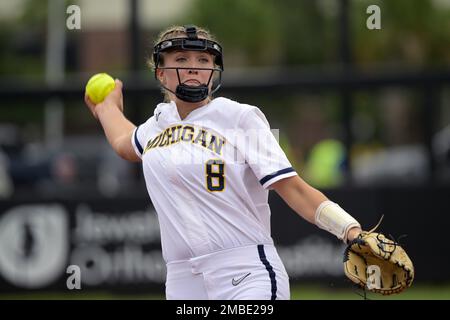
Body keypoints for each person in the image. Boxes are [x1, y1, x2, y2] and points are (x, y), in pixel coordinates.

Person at [84, 25, 363, 300]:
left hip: (245, 272)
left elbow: (293, 187)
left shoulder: (240, 118)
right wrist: (106, 108)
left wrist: (349, 230)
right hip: (182, 283)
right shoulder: (157, 125)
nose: (194, 67)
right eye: (181, 59)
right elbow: (124, 142)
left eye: (203, 60)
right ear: (161, 73)